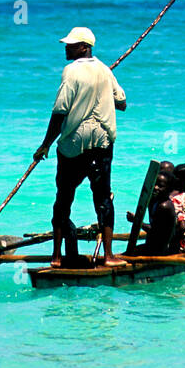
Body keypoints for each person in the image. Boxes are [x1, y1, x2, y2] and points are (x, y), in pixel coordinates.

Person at [32, 26, 127, 268]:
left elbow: (59, 111)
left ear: (84, 47)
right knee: (103, 197)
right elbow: (122, 103)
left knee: (64, 198)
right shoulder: (105, 70)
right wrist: (100, 93)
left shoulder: (71, 71)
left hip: (74, 144)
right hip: (102, 143)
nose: (66, 47)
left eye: (72, 44)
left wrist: (45, 145)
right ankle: (108, 256)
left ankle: (55, 257)